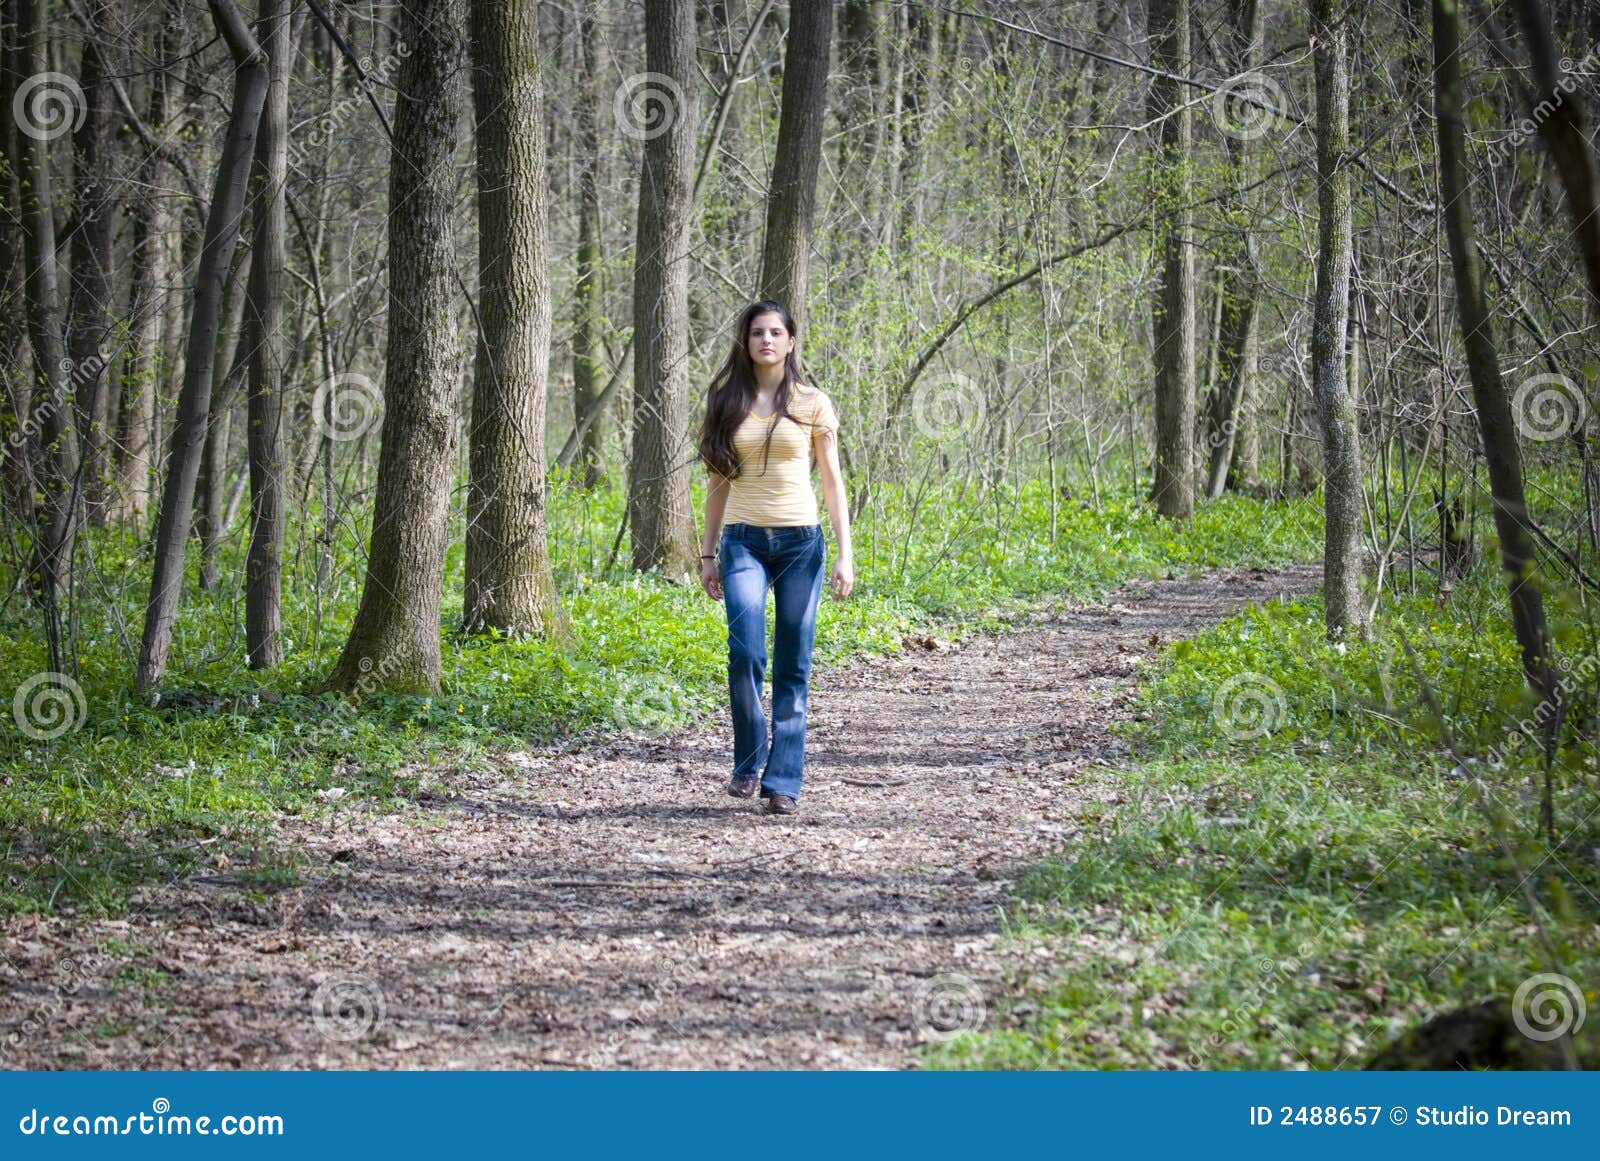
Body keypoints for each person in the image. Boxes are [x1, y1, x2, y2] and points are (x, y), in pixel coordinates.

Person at [695, 300, 854, 815]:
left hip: (801, 545)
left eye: (776, 332)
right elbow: (717, 484)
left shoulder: (813, 403)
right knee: (746, 654)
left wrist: (845, 554)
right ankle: (748, 761)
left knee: (793, 664)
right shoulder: (726, 402)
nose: (767, 340)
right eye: (758, 332)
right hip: (743, 542)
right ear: (746, 342)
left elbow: (832, 481)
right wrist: (707, 553)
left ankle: (783, 780)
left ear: (791, 341)